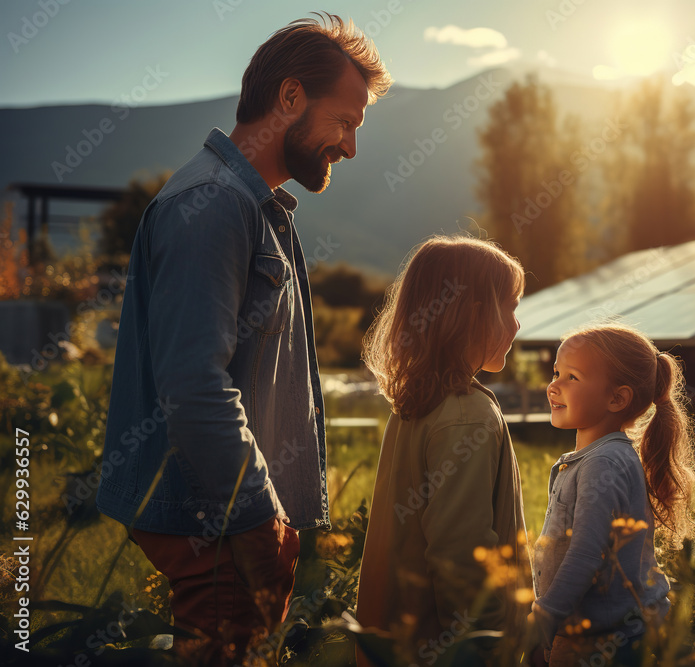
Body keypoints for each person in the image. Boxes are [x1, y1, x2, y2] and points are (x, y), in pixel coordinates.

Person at [95, 14, 391, 666]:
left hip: (233, 526)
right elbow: (194, 385)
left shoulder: (250, 207)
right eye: (344, 122)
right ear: (289, 98)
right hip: (222, 530)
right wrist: (259, 518)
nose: (349, 147)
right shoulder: (214, 206)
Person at [356, 235, 532, 666]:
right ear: (471, 315)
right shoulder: (467, 416)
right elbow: (461, 555)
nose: (518, 324)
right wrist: (487, 643)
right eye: (510, 307)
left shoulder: (419, 402)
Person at [531, 324, 695, 666]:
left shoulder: (603, 463)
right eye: (556, 373)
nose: (554, 385)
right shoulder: (600, 457)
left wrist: (543, 618)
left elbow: (585, 553)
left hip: (598, 642)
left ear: (617, 398)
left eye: (572, 377)